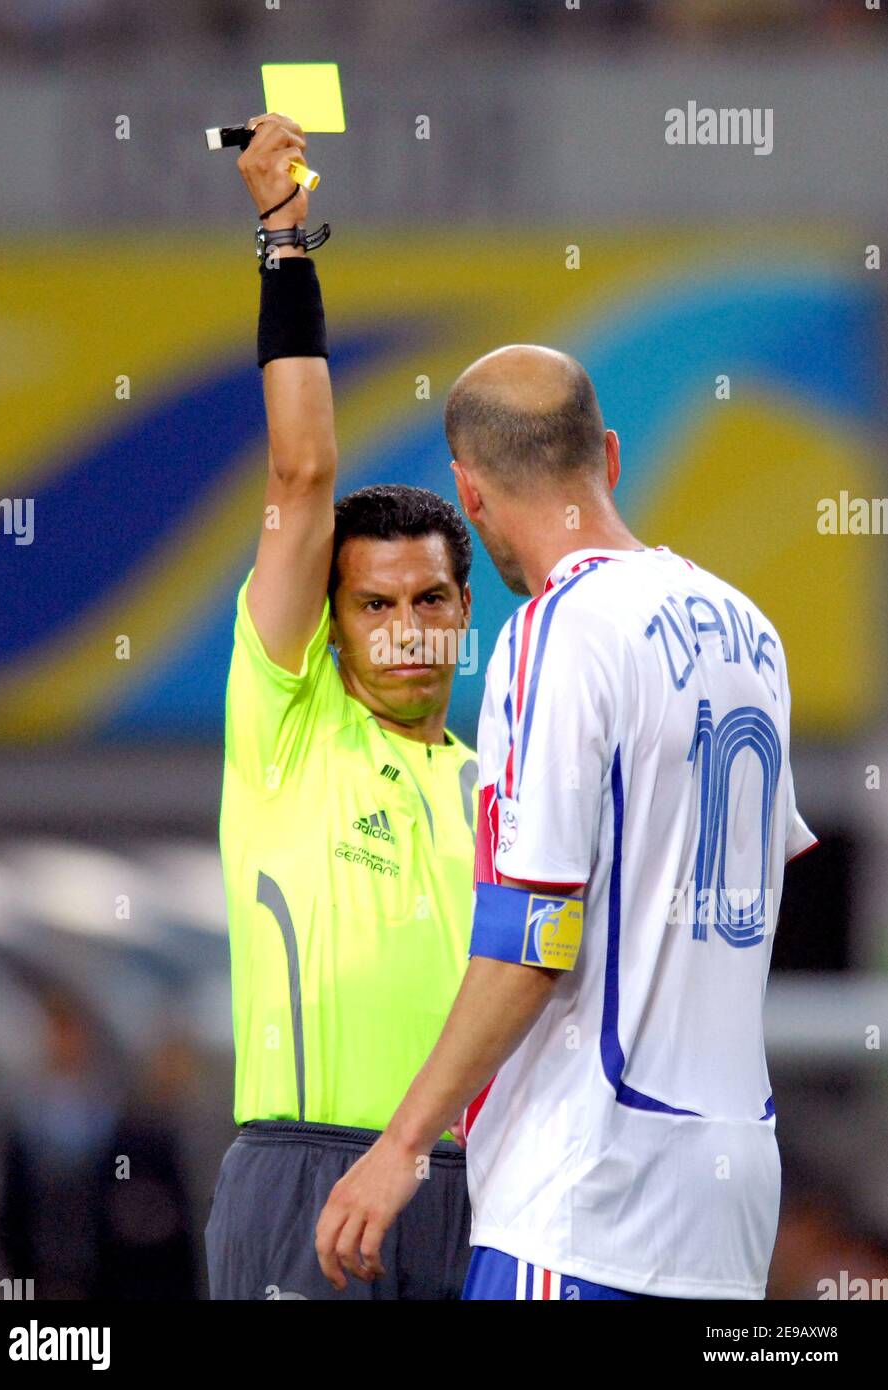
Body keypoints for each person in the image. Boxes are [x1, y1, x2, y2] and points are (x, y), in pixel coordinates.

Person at [315, 343, 817, 1300]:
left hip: (585, 1193)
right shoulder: (751, 627)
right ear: (611, 457)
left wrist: (402, 1145)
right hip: (732, 1199)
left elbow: (533, 935)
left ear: (466, 490)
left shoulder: (555, 632)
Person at [204, 114, 478, 1300]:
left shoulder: (503, 780)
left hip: (483, 1182)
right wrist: (283, 235)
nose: (407, 623)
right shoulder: (287, 724)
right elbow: (301, 472)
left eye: (430, 597)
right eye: (373, 604)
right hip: (302, 1180)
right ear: (328, 619)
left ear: (466, 609)